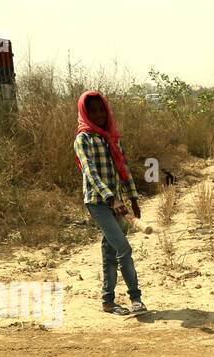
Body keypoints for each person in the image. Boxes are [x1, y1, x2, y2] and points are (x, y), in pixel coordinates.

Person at [74, 91, 148, 316]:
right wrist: (110, 198)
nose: (98, 115)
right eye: (93, 111)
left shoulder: (112, 139)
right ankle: (136, 297)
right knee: (123, 248)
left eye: (101, 110)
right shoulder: (83, 139)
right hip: (98, 203)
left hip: (117, 203)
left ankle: (108, 301)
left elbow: (123, 171)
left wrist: (133, 198)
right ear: (85, 114)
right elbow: (90, 172)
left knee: (109, 252)